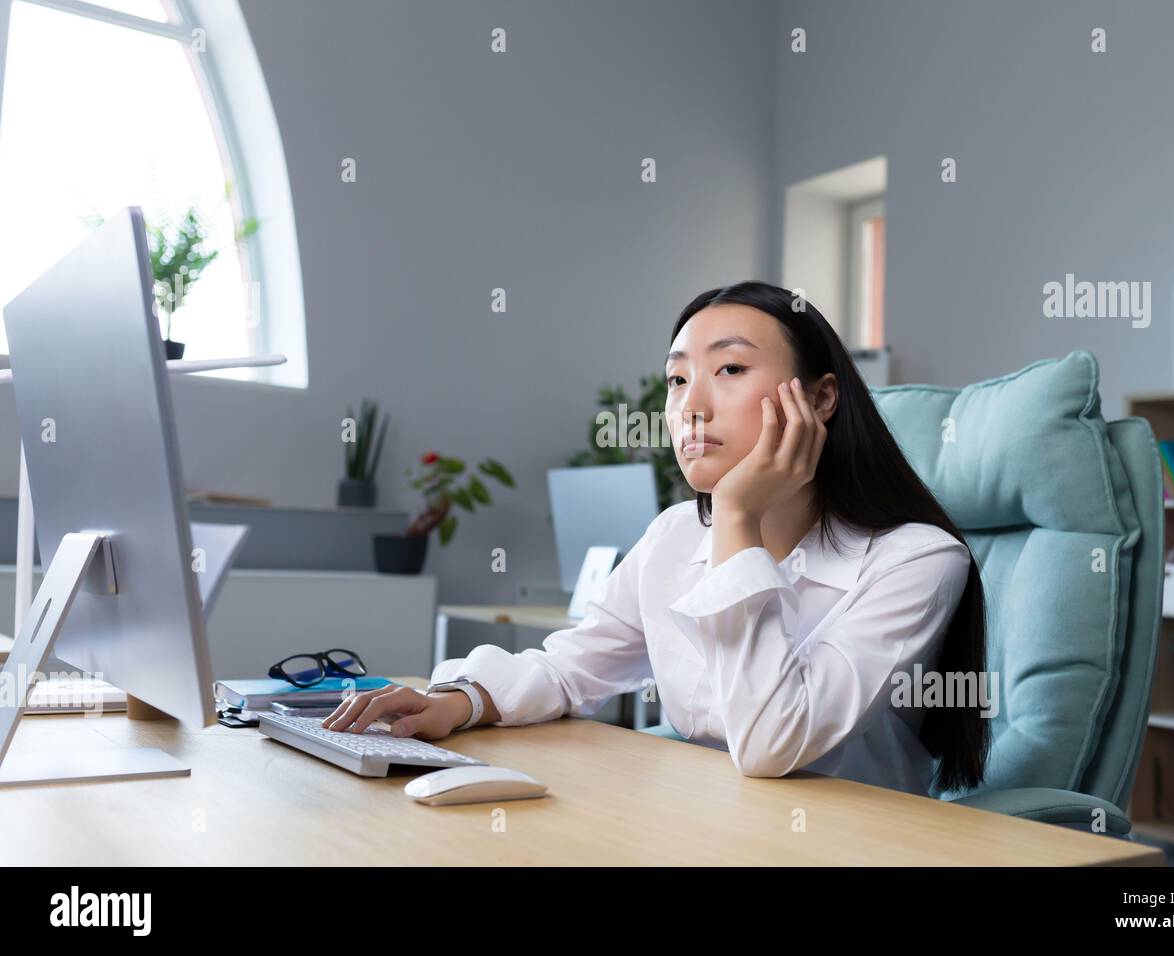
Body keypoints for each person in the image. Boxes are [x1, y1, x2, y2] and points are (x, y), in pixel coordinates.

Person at [324, 280, 990, 795]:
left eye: (729, 370)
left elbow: (772, 744)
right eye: (676, 379)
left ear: (819, 400)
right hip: (697, 825)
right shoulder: (676, 534)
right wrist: (457, 702)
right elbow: (569, 667)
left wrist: (736, 516)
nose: (690, 405)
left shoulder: (920, 560)